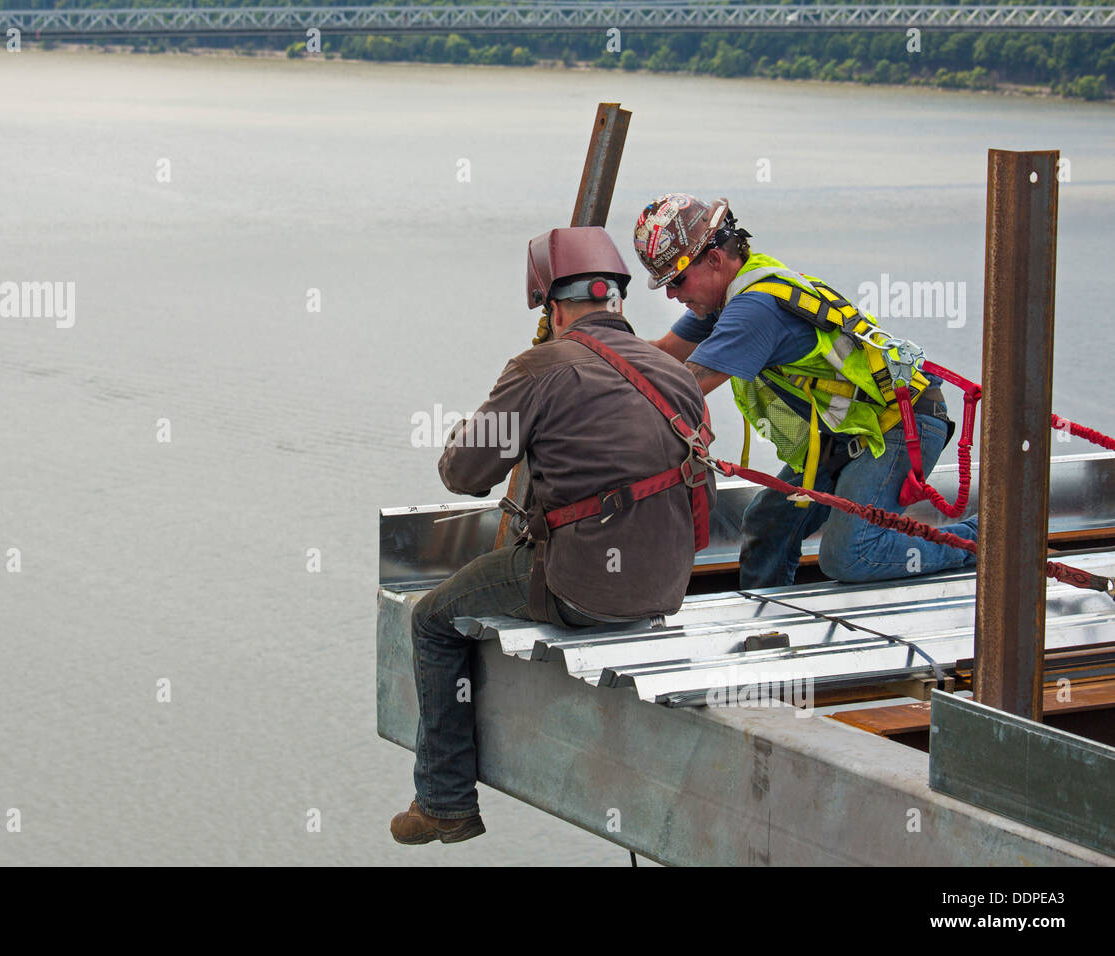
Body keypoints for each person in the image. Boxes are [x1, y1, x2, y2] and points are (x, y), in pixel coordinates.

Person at [391, 225, 715, 846]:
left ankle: (444, 800)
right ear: (617, 298)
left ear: (552, 307)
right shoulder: (672, 373)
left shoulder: (539, 366)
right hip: (667, 587)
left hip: (582, 590)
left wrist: (474, 424)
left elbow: (465, 475)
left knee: (431, 618)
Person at [634, 192, 978, 589]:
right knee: (769, 523)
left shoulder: (754, 310)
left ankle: (983, 542)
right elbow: (663, 355)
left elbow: (680, 390)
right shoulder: (729, 297)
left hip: (900, 424)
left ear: (714, 260)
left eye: (676, 279)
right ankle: (768, 621)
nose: (671, 295)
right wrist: (594, 339)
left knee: (850, 556)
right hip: (851, 431)